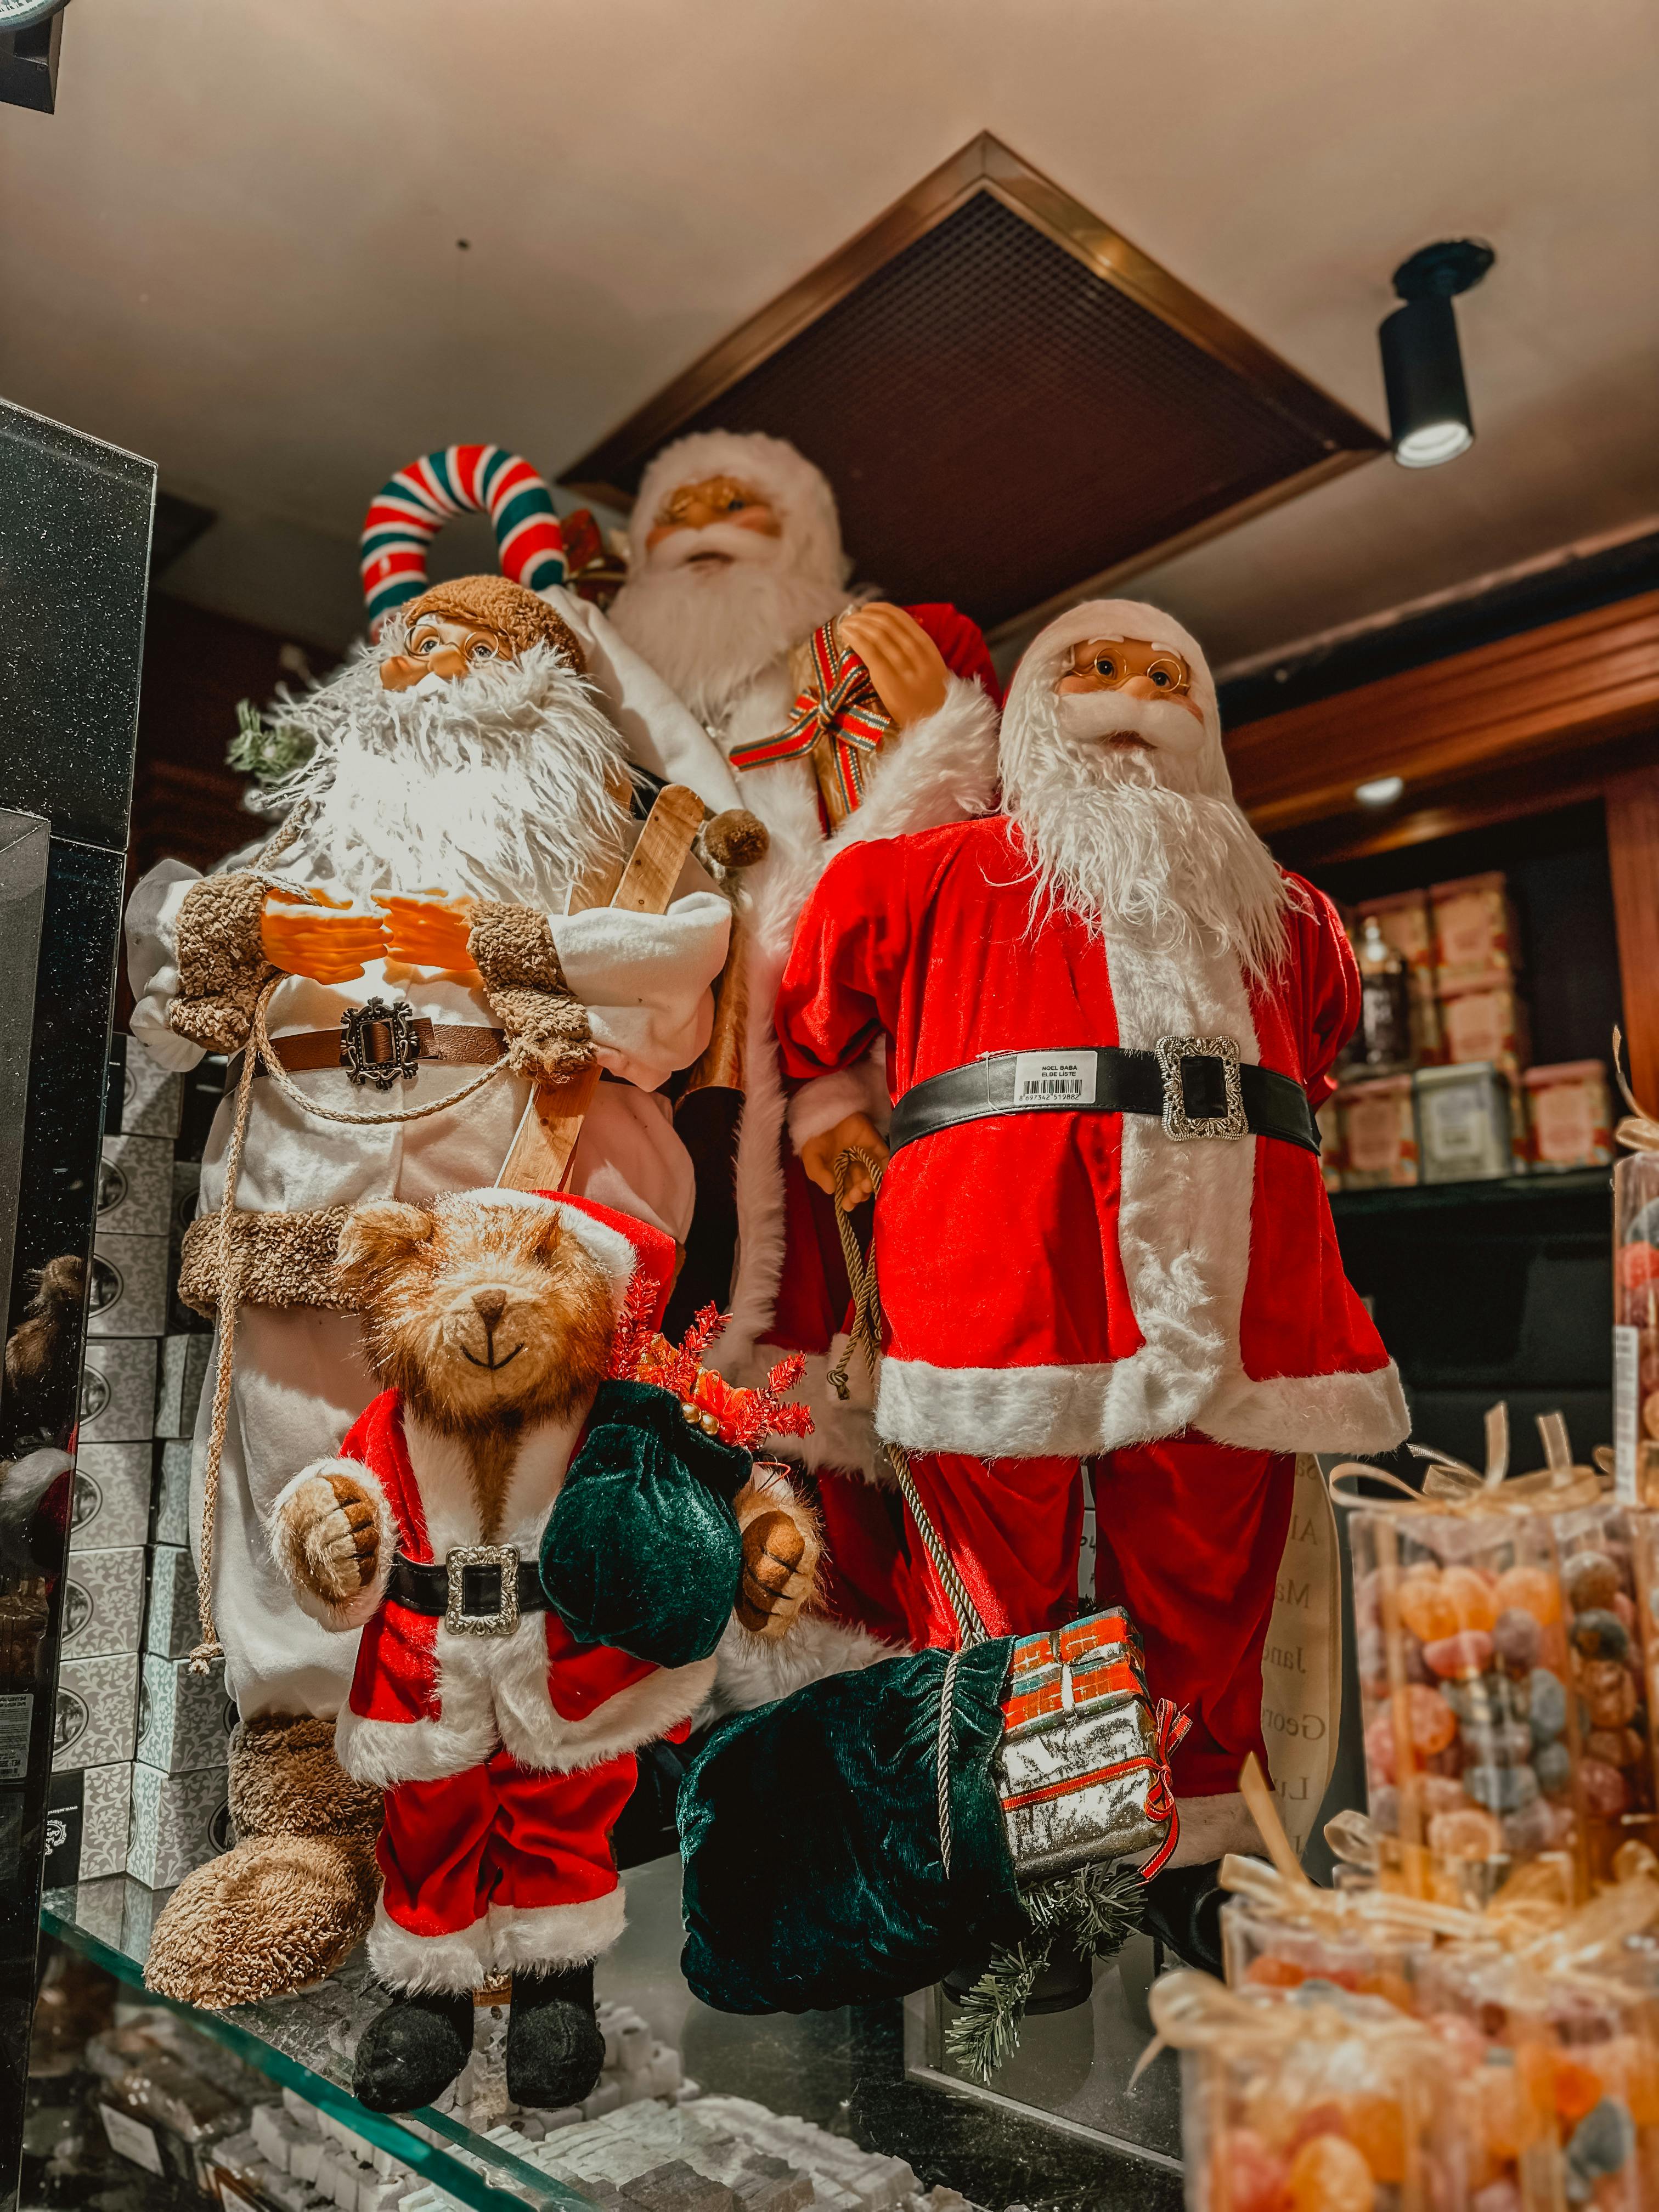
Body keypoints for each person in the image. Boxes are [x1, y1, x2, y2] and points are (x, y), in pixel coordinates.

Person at [772, 596, 1408, 1959]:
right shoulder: (941, 871)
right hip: (1005, 1268)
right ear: (1032, 716)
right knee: (1003, 1592)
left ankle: (1189, 1847)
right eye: (1095, 668)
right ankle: (1034, 1877)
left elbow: (1322, 1046)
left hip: (1244, 1281)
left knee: (1209, 1577)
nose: (1131, 690)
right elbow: (817, 985)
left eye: (1166, 670)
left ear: (1208, 719)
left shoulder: (1291, 915)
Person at [127, 571, 732, 2002]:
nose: (422, 667)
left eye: (464, 645)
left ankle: (524, 1886)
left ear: (539, 685)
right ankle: (306, 1840)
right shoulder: (316, 842)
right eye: (406, 646)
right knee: (297, 1518)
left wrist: (478, 945)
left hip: (494, 1274)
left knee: (498, 1558)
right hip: (297, 1239)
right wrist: (258, 934)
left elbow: (671, 997)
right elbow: (169, 985)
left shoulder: (599, 851)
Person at [609, 431, 1001, 1674]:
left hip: (847, 1096)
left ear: (813, 545)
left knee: (855, 1415)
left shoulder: (884, 654)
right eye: (686, 506)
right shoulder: (601, 701)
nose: (712, 519)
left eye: (746, 504)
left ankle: (894, 1706)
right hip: (646, 1102)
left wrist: (941, 735)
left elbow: (974, 888)